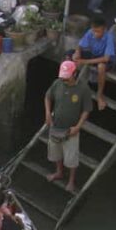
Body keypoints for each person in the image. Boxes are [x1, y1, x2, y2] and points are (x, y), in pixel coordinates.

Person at [44, 60, 92, 193]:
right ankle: (59, 172)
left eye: (67, 77)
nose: (64, 80)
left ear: (74, 74)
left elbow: (86, 110)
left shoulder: (83, 89)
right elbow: (48, 97)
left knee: (71, 157)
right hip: (56, 126)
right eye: (63, 77)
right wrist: (48, 113)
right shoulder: (57, 84)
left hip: (71, 129)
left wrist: (78, 126)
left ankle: (71, 181)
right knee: (56, 152)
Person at [73, 17, 116, 110]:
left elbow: (106, 58)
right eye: (94, 31)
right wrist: (78, 52)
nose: (95, 34)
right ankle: (71, 84)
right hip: (94, 55)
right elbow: (80, 44)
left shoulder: (109, 37)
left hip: (107, 61)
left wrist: (85, 61)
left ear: (104, 29)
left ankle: (99, 95)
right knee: (72, 57)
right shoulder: (90, 32)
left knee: (101, 67)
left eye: (98, 32)